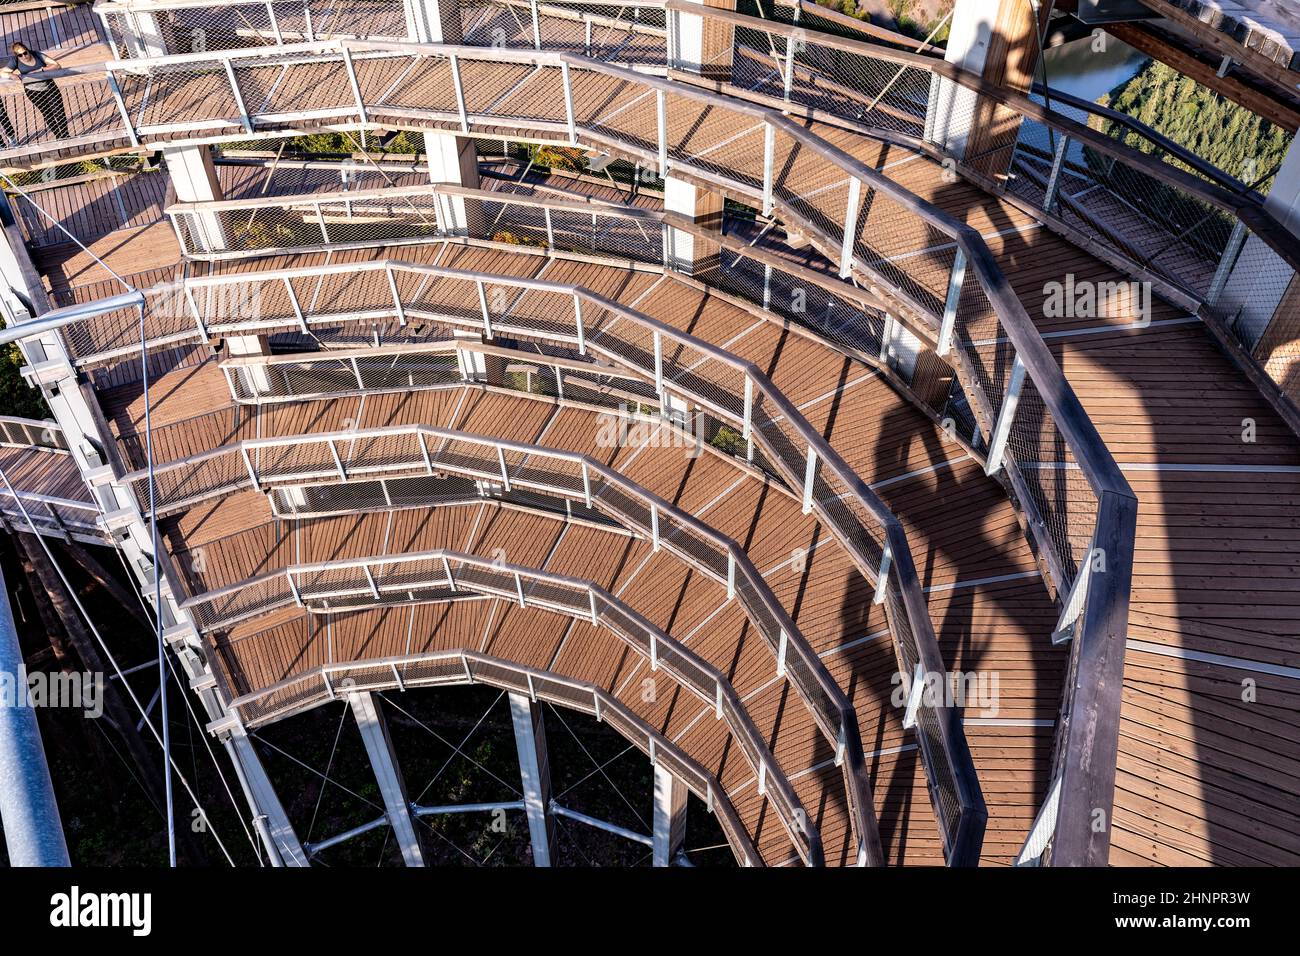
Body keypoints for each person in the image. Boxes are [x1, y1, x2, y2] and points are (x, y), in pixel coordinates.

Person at [0, 42, 68, 140]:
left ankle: (65, 135)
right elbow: (2, 72)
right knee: (48, 114)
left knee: (59, 112)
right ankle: (59, 136)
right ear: (17, 56)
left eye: (25, 53)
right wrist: (12, 75)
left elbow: (56, 65)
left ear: (28, 50)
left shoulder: (37, 54)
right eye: (20, 55)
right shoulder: (15, 61)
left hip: (50, 87)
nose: (24, 56)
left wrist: (41, 71)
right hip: (33, 92)